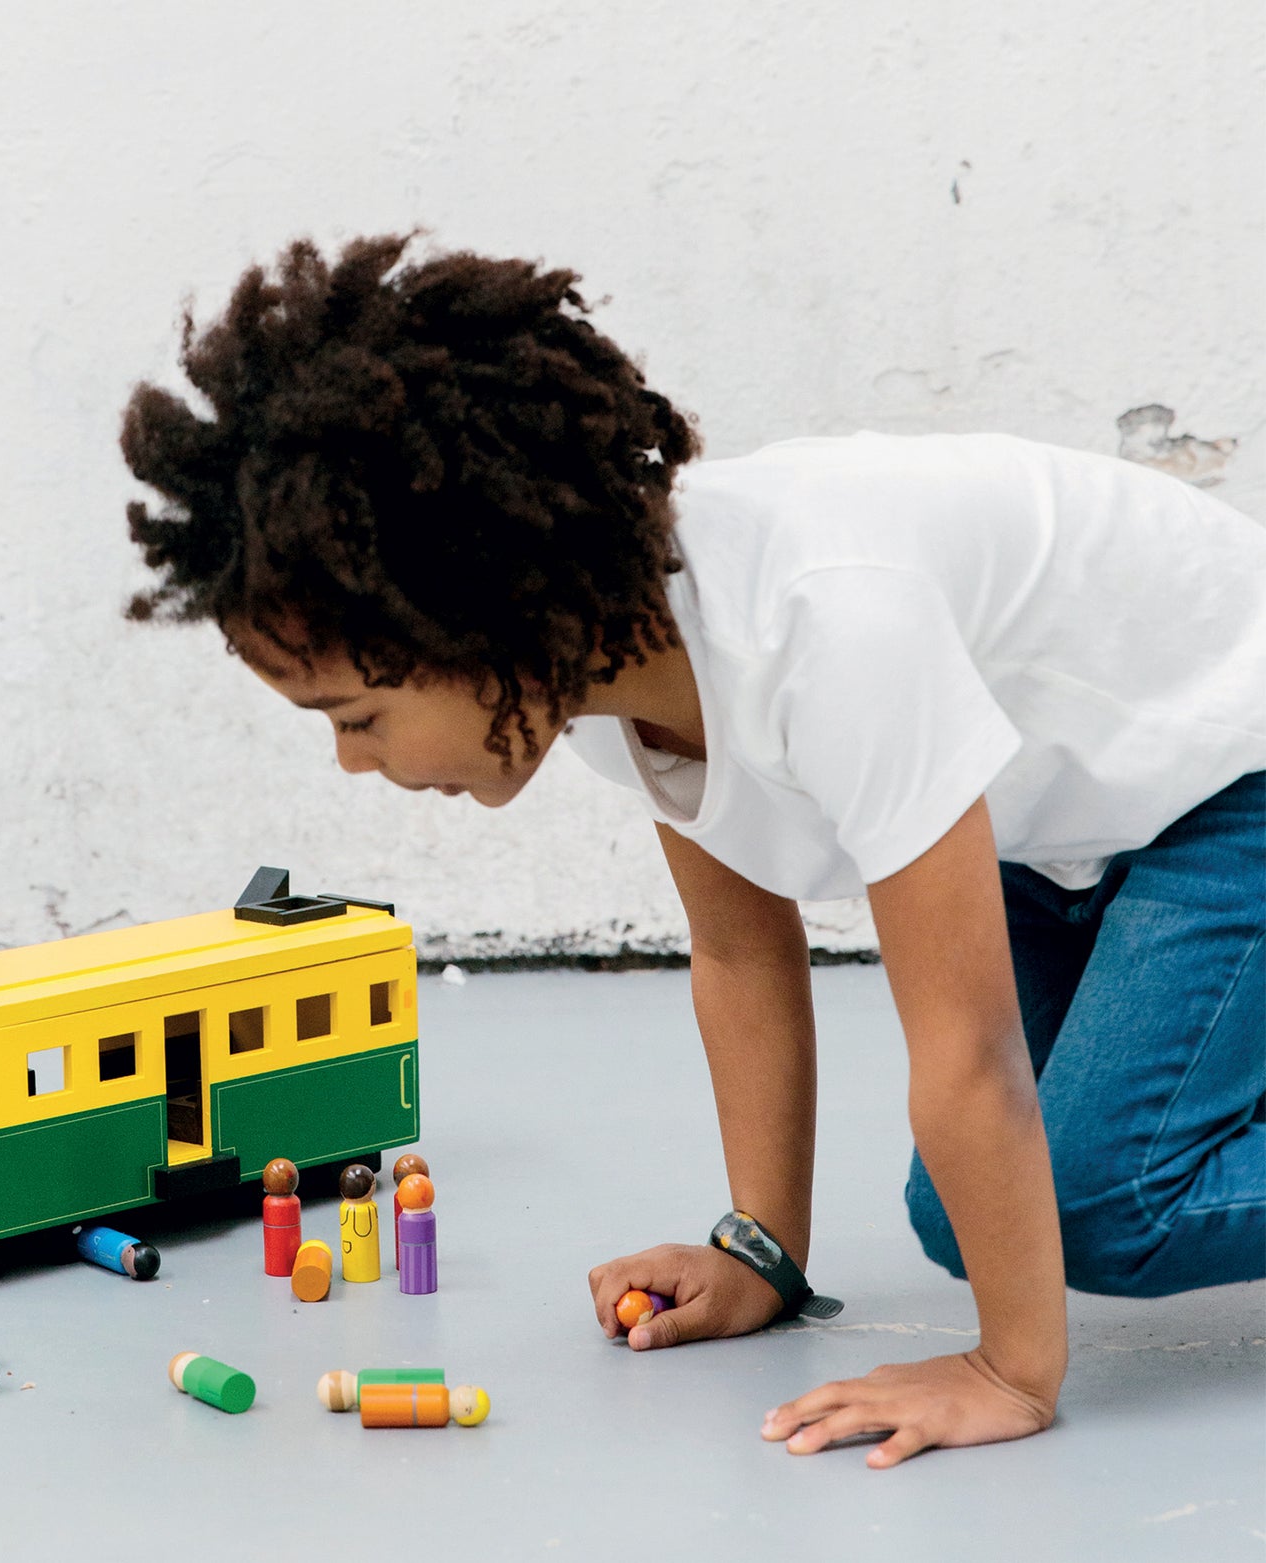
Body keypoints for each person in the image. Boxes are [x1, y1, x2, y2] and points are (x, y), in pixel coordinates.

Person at [118, 233, 1266, 1467]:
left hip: (1230, 770)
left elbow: (969, 1048)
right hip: (1078, 830)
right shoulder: (607, 661)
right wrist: (761, 1250)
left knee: (1092, 1205)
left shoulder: (829, 625)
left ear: (484, 618)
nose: (354, 762)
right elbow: (739, 951)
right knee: (969, 1214)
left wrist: (1009, 1368)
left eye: (357, 716)